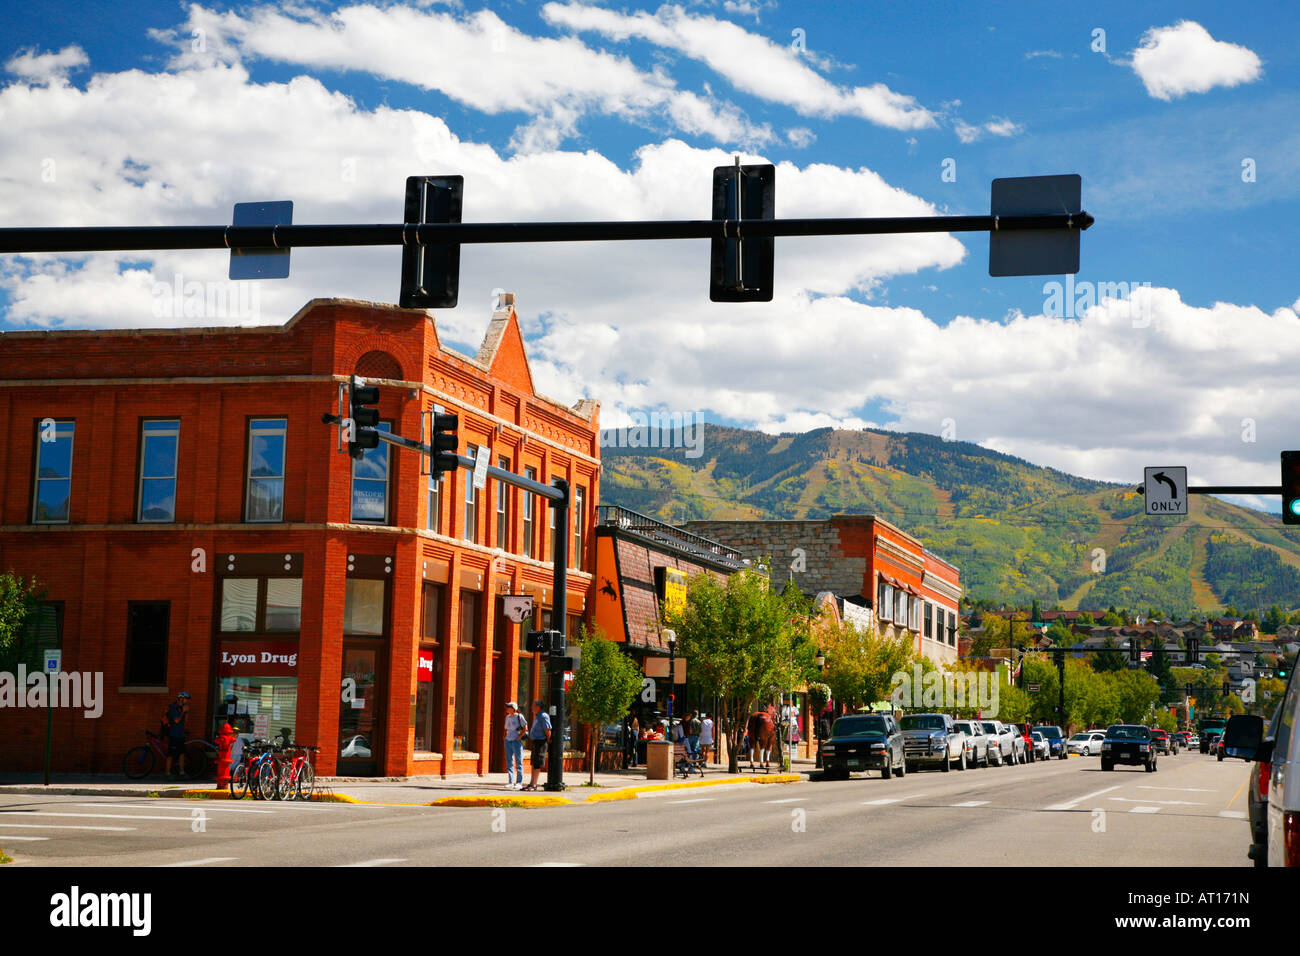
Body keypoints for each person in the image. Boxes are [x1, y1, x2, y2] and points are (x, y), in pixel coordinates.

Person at [522, 699, 551, 791]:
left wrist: (549, 739)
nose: (531, 707)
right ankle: (531, 783)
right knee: (534, 763)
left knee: (537, 764)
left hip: (541, 742)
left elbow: (547, 729)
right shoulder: (538, 716)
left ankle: (534, 785)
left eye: (533, 705)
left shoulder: (543, 716)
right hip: (535, 741)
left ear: (538, 707)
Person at [163, 691, 190, 779]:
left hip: (181, 734)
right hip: (173, 734)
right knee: (171, 754)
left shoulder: (181, 708)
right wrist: (183, 712)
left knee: (182, 753)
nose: (186, 701)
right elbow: (176, 720)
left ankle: (182, 772)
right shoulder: (174, 708)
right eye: (185, 699)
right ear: (180, 699)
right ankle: (167, 773)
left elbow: (185, 722)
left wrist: (186, 712)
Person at [504, 702, 528, 790]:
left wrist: (519, 737)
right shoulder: (507, 717)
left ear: (513, 708)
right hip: (508, 741)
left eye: (508, 707)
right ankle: (510, 782)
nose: (507, 708)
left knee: (518, 761)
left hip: (516, 741)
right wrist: (505, 737)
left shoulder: (519, 716)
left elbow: (525, 728)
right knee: (509, 761)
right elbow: (506, 728)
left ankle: (519, 782)